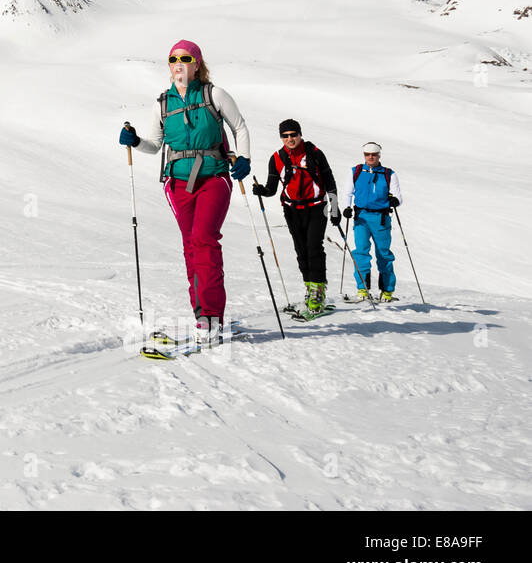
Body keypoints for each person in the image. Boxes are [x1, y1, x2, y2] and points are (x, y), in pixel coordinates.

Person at [119, 40, 251, 344]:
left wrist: (243, 158)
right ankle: (201, 316)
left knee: (204, 239)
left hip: (214, 177)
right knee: (191, 247)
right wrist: (135, 140)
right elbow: (154, 146)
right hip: (177, 183)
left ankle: (211, 319)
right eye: (173, 59)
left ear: (197, 63)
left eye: (185, 58)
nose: (178, 63)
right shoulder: (162, 104)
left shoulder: (213, 94)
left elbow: (240, 127)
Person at [251, 119, 338, 314]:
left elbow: (329, 179)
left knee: (314, 247)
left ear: (300, 134)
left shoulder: (315, 153)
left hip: (317, 207)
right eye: (285, 136)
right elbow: (272, 188)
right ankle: (310, 289)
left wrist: (335, 208)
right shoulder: (276, 158)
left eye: (293, 134)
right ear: (281, 137)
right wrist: (262, 191)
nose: (290, 139)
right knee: (301, 249)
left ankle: (318, 293)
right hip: (291, 209)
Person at [339, 141, 402, 301]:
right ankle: (363, 289)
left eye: (374, 154)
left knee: (383, 254)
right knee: (360, 252)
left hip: (381, 218)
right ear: (364, 155)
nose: (371, 157)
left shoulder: (388, 174)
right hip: (360, 217)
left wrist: (394, 201)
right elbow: (347, 192)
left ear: (379, 155)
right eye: (367, 154)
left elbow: (398, 196)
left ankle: (387, 291)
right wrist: (347, 207)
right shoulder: (356, 171)